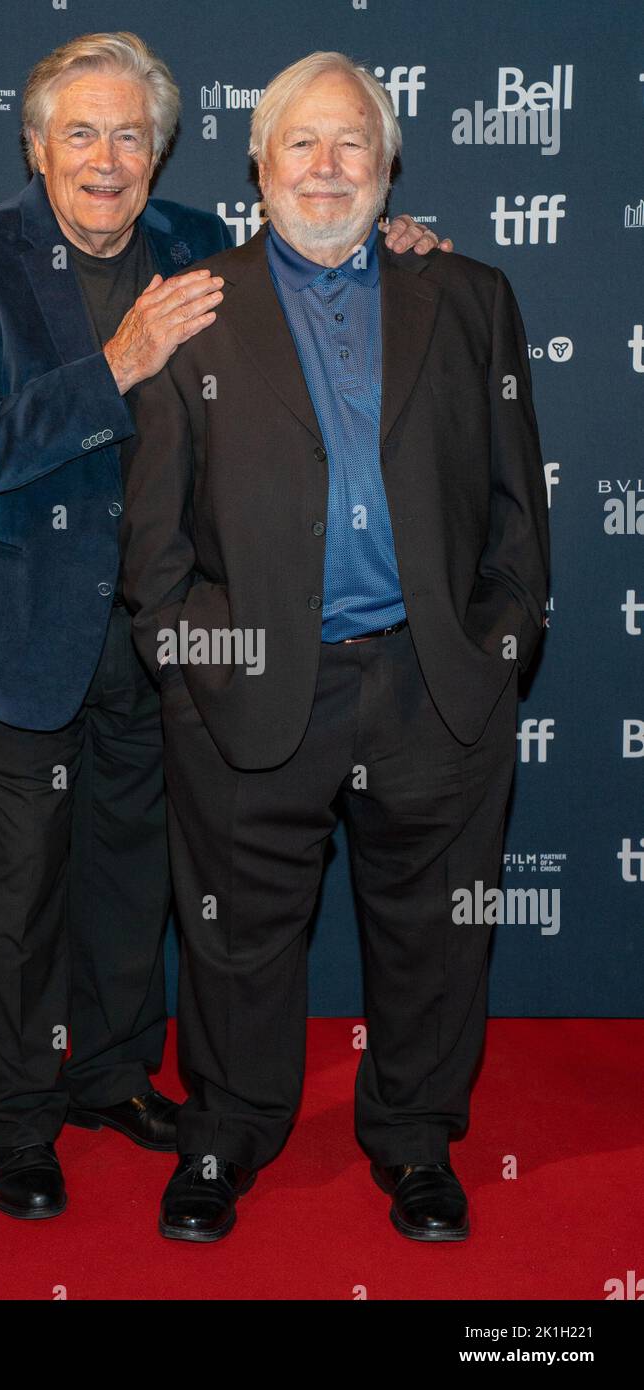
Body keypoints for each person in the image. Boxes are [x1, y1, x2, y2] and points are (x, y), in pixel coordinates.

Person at [0, 31, 452, 1221]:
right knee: (17, 897)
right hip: (16, 632)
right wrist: (115, 363)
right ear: (36, 145)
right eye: (80, 133)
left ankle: (109, 1075)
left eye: (129, 136)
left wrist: (397, 245)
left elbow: (320, 258)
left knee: (131, 882)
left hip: (162, 637)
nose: (105, 159)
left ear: (158, 153)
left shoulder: (196, 243)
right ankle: (18, 1119)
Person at [121, 51, 549, 1244]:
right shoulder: (186, 308)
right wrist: (190, 658)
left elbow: (519, 501)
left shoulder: (466, 297)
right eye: (298, 144)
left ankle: (415, 1140)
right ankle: (226, 1130)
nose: (324, 167)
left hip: (434, 684)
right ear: (257, 167)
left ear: (386, 163)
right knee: (232, 935)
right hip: (253, 684)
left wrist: (498, 641)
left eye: (349, 143)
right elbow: (150, 538)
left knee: (433, 931)